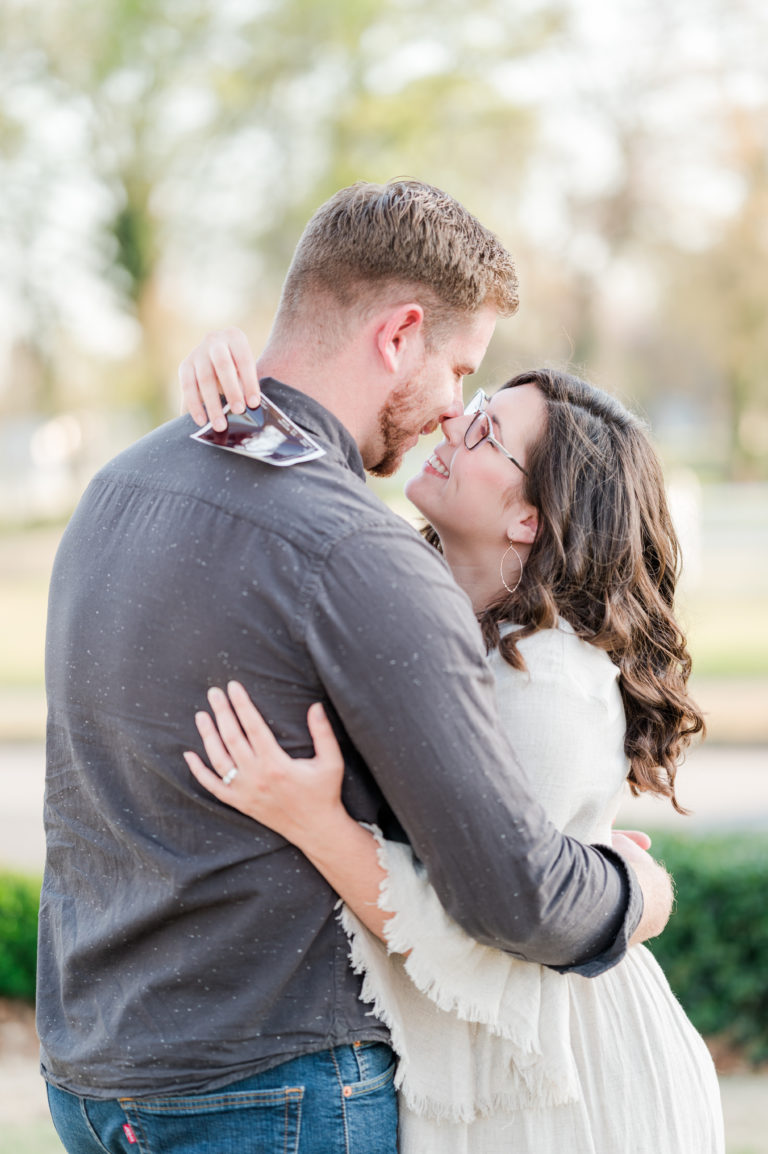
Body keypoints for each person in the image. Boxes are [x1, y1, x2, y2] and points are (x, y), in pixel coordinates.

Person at [39, 179, 670, 1154]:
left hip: (93, 1068)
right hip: (272, 1081)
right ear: (399, 333)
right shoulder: (353, 552)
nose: (454, 410)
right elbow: (517, 894)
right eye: (461, 369)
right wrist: (638, 891)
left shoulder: (118, 486)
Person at [185, 368, 725, 1152]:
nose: (450, 427)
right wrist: (224, 381)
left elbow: (484, 925)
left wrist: (312, 820)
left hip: (560, 1085)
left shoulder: (549, 685)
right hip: (483, 1063)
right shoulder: (430, 613)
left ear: (529, 521)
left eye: (485, 434)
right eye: (471, 411)